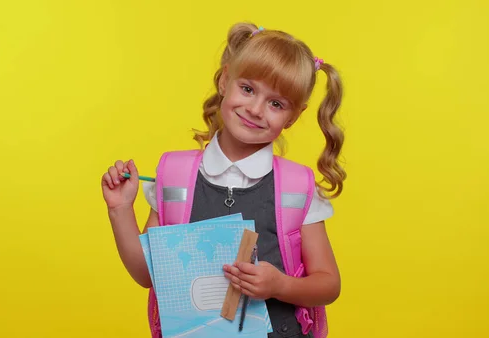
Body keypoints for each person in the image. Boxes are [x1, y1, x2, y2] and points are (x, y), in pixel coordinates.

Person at [101, 22, 346, 338]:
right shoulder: (175, 177)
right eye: (247, 89)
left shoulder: (297, 188)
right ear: (223, 81)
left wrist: (281, 285)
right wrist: (121, 210)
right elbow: (149, 275)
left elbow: (328, 283)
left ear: (293, 117)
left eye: (276, 103)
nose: (256, 109)